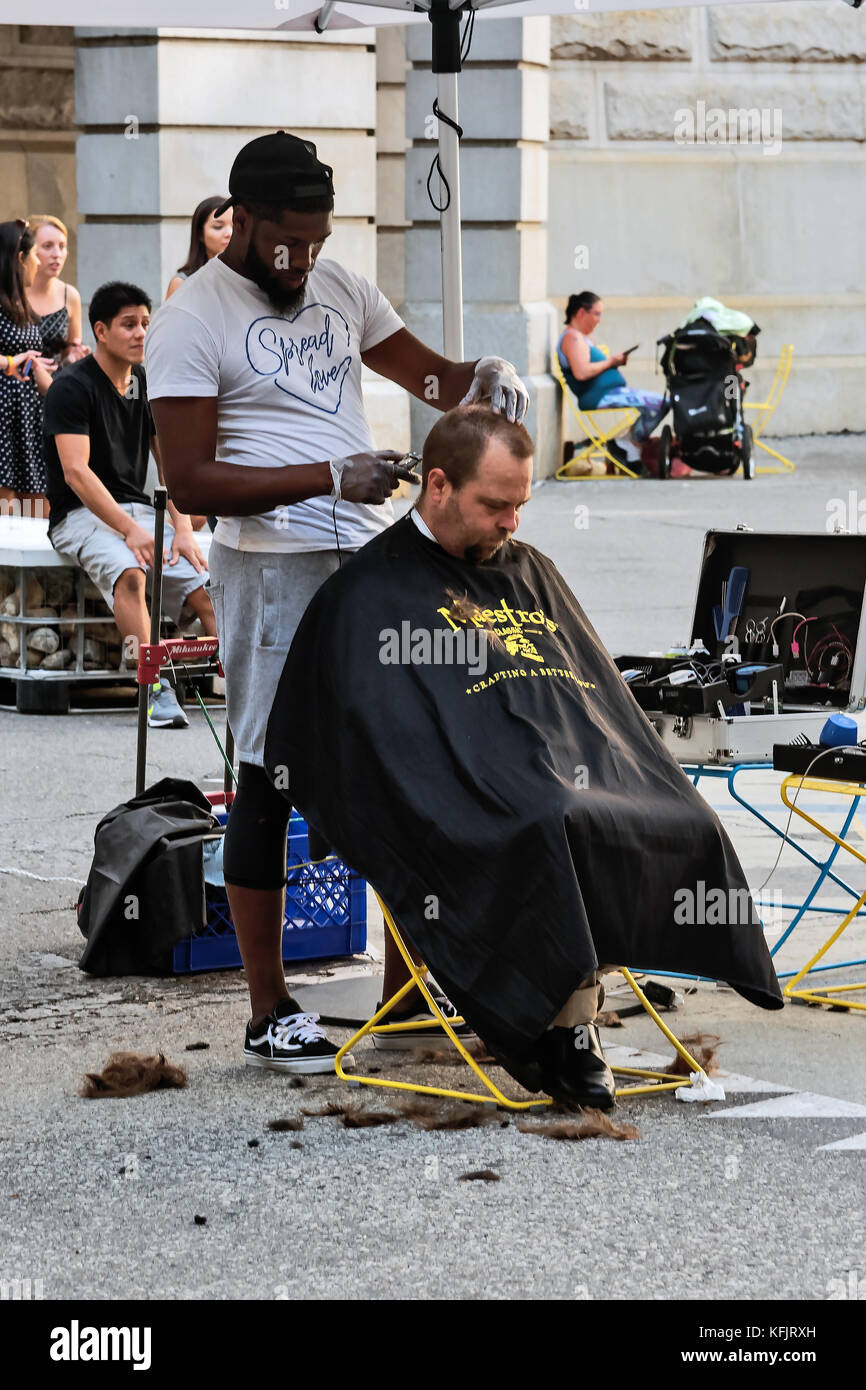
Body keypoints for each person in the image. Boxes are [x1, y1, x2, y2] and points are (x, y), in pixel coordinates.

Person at [265, 405, 783, 1110]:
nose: (511, 524)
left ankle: (588, 987)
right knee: (552, 823)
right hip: (458, 792)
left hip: (563, 769)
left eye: (521, 506)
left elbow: (591, 693)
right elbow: (351, 739)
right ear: (439, 486)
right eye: (495, 506)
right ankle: (569, 1025)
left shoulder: (530, 570)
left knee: (680, 811)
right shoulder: (367, 591)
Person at [145, 130, 530, 1075]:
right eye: (289, 242)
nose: (304, 260)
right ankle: (268, 1005)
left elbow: (429, 379)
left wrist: (481, 380)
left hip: (364, 556)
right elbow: (190, 482)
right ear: (242, 221)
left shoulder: (340, 286)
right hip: (268, 569)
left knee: (407, 759)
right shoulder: (192, 319)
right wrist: (329, 472)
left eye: (318, 241)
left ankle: (410, 981)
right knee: (271, 776)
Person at [43, 281, 216, 729]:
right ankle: (155, 688)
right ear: (100, 330)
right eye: (129, 325)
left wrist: (181, 527)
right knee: (131, 574)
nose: (141, 333)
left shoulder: (146, 381)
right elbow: (76, 473)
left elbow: (170, 464)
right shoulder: (71, 387)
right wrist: (129, 529)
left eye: (145, 323)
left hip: (139, 512)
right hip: (79, 516)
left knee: (206, 587)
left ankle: (237, 684)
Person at [557, 291, 666, 477]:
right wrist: (612, 362)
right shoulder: (572, 338)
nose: (599, 319)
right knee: (660, 403)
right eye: (597, 314)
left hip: (609, 393)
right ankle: (626, 447)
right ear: (582, 313)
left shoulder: (580, 338)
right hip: (599, 397)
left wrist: (614, 363)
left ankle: (627, 448)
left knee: (661, 403)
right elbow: (582, 372)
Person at [0, 220, 57, 514]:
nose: (40, 261)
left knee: (36, 507)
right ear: (19, 258)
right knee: (6, 509)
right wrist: (11, 361)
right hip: (4, 415)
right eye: (36, 253)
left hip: (28, 413)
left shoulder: (20, 301)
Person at [26, 215, 90, 371]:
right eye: (47, 246)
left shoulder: (69, 295)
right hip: (12, 386)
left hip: (54, 388)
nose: (57, 254)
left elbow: (68, 353)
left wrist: (73, 356)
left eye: (62, 246)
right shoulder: (8, 293)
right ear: (28, 251)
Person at [164, 196, 233, 300]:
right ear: (200, 234)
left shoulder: (249, 279)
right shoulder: (182, 283)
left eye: (235, 226)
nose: (229, 233)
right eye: (218, 227)